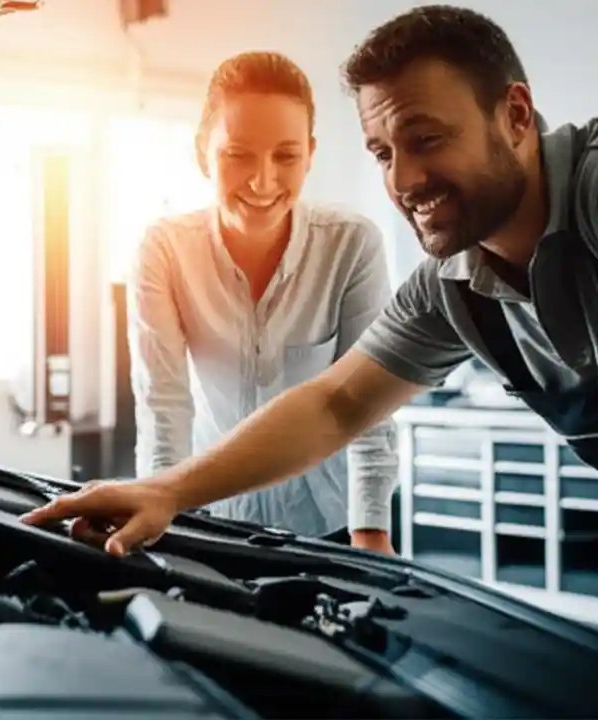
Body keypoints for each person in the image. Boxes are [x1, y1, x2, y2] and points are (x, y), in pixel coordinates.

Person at [24, 4, 598, 700]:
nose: (402, 180)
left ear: (515, 114)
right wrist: (168, 492)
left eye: (426, 140)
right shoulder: (451, 282)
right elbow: (336, 402)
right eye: (382, 150)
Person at [127, 51, 398, 542]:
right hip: (208, 516)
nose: (263, 180)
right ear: (200, 153)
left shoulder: (352, 245)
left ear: (310, 154)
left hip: (328, 522)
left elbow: (368, 405)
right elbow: (164, 405)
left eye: (286, 156)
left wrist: (372, 532)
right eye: (239, 155)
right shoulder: (163, 249)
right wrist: (164, 522)